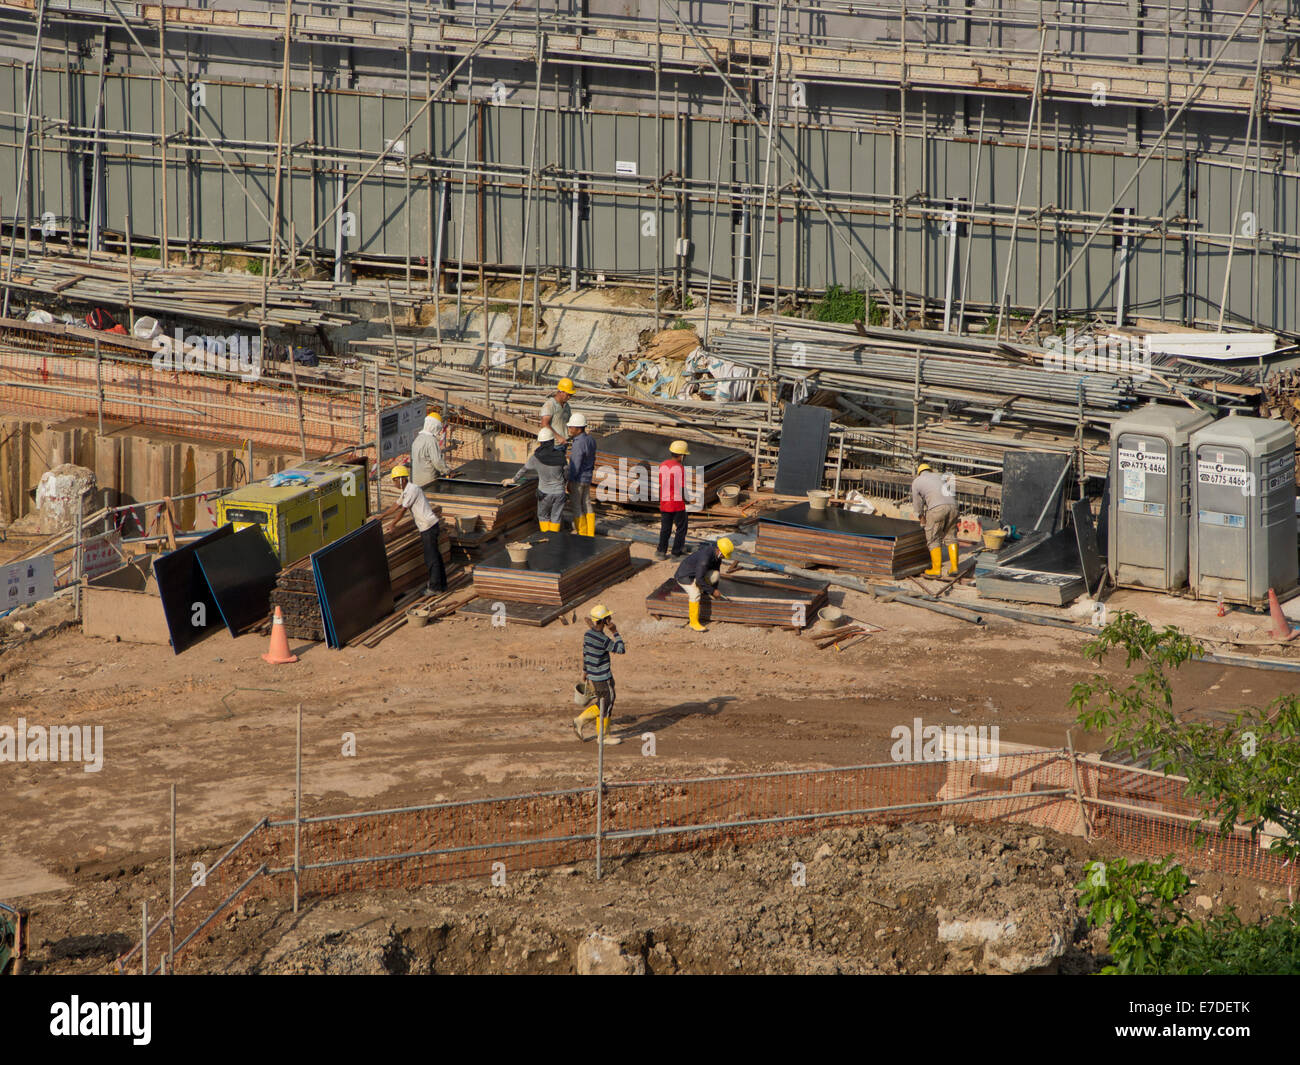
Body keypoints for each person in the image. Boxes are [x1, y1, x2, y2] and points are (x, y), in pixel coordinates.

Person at [381, 465, 446, 595]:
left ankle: (435, 587)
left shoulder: (412, 490)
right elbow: (396, 505)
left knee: (431, 558)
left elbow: (403, 510)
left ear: (402, 480)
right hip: (428, 526)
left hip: (428, 527)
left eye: (395, 480)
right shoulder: (406, 491)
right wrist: (382, 516)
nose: (394, 483)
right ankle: (441, 584)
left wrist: (393, 524)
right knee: (435, 557)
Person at [573, 604, 625, 745]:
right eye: (608, 617)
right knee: (607, 703)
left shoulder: (588, 635)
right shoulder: (604, 640)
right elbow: (621, 649)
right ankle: (600, 734)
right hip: (603, 677)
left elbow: (586, 653)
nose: (610, 618)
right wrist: (615, 631)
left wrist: (585, 671)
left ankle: (598, 732)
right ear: (603, 620)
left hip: (593, 676)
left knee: (603, 701)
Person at [505, 427, 568, 532]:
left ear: (541, 443)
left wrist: (513, 480)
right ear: (552, 442)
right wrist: (564, 484)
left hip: (545, 494)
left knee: (543, 516)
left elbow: (524, 470)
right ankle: (553, 540)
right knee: (556, 518)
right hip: (559, 493)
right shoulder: (561, 456)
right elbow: (567, 473)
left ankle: (546, 538)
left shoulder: (536, 458)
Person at [675, 537, 737, 633]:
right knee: (695, 594)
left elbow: (716, 571)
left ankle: (704, 589)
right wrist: (712, 591)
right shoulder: (705, 558)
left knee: (715, 575)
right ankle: (693, 623)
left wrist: (714, 589)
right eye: (724, 555)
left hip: (697, 573)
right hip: (685, 576)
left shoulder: (717, 556)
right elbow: (699, 579)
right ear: (719, 551)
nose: (724, 557)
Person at [911, 461, 959, 576]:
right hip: (954, 507)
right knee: (951, 536)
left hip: (937, 509)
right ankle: (954, 567)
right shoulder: (939, 476)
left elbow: (917, 504)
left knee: (933, 538)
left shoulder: (917, 481)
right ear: (930, 470)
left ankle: (936, 569)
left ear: (919, 473)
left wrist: (921, 518)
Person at [655, 439, 691, 560]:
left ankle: (661, 552)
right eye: (684, 455)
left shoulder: (663, 465)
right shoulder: (680, 468)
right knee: (681, 528)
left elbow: (661, 485)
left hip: (665, 502)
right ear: (681, 456)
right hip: (677, 504)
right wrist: (686, 500)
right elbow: (681, 488)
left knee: (665, 528)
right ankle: (676, 553)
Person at [566, 412, 596, 537]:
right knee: (587, 503)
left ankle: (582, 533)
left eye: (571, 427)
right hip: (587, 477)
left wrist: (570, 480)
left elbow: (575, 464)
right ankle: (590, 533)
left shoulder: (578, 443)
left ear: (578, 429)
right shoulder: (590, 439)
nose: (569, 429)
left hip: (578, 479)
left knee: (577, 506)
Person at [410, 412, 450, 487]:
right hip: (430, 482)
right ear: (435, 427)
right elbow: (437, 461)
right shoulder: (431, 441)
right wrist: (447, 471)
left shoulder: (417, 439)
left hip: (416, 481)